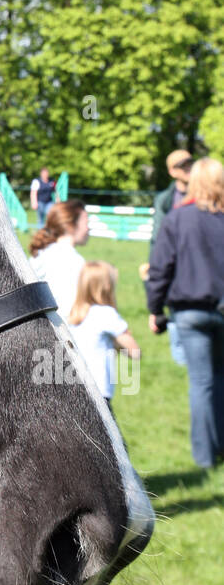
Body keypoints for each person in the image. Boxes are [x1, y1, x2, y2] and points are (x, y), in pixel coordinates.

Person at [146, 157, 224, 469]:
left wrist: (155, 308)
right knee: (219, 379)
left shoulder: (178, 219)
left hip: (190, 312)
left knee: (202, 383)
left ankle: (205, 458)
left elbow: (160, 268)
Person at [140, 149, 193, 369]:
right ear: (172, 171)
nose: (189, 167)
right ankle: (180, 358)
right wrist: (155, 266)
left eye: (191, 162)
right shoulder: (164, 200)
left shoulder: (208, 192)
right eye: (183, 164)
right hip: (174, 259)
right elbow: (157, 236)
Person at [67, 262, 140, 410]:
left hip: (73, 389)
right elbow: (134, 352)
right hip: (99, 391)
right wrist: (119, 343)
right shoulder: (106, 314)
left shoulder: (74, 314)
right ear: (107, 287)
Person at [29, 199, 89, 319]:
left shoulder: (40, 254)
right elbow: (69, 311)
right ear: (70, 226)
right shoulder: (74, 261)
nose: (88, 228)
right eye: (86, 223)